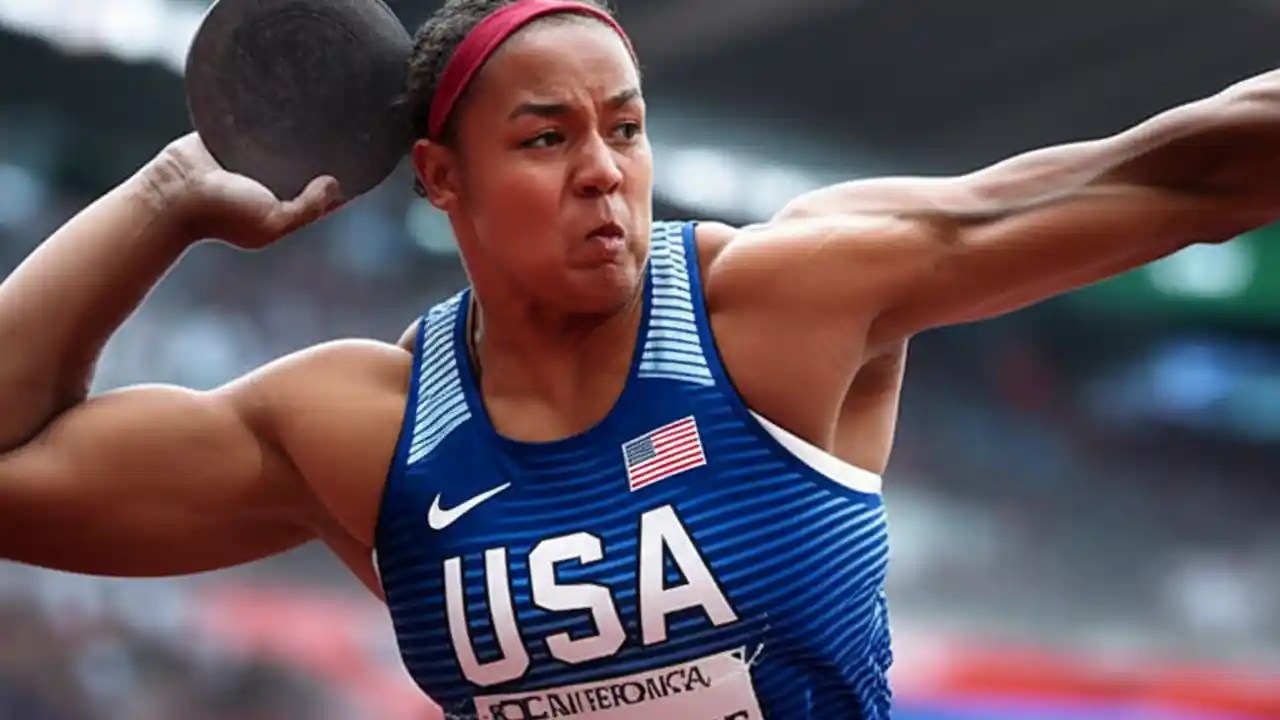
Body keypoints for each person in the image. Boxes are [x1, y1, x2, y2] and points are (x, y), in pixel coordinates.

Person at [2, 0, 1278, 717]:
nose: (605, 171)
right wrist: (167, 193)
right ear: (440, 180)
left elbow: (1183, 171)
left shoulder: (779, 303)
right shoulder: (362, 427)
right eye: (548, 139)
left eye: (625, 127)